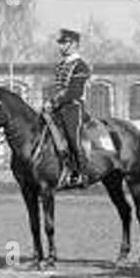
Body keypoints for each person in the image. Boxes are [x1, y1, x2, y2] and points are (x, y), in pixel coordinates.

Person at [44, 28, 95, 187]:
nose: (60, 46)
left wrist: (54, 102)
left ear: (74, 45)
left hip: (73, 107)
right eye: (60, 43)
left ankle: (81, 173)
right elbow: (57, 88)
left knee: (73, 136)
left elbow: (74, 91)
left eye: (64, 43)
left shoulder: (81, 66)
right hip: (58, 107)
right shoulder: (60, 65)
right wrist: (49, 102)